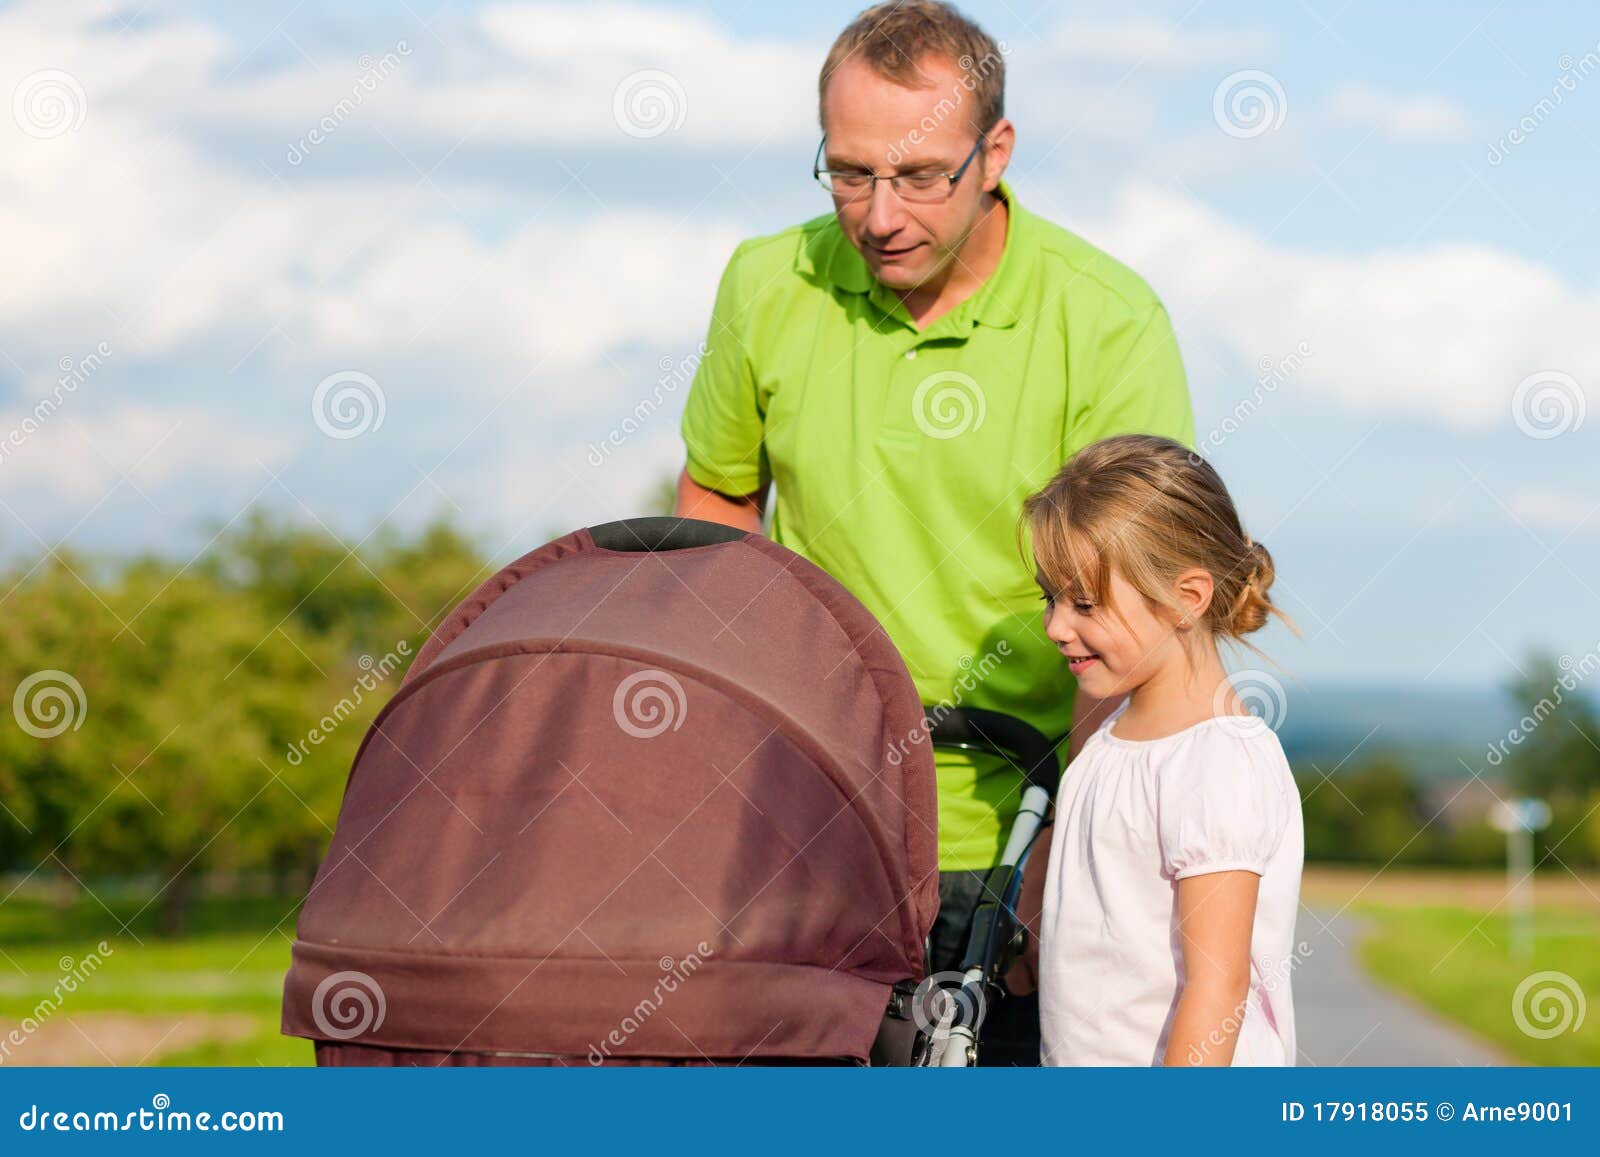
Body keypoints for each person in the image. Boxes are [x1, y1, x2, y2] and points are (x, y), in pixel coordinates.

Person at [674, 1, 1194, 1064]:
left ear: (994, 153)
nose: (877, 214)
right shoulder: (766, 283)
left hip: (1020, 822)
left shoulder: (1106, 321)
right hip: (808, 825)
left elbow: (1134, 608)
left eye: (919, 177)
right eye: (849, 171)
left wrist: (1065, 851)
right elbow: (719, 496)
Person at [1017, 434, 1304, 1065]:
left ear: (1186, 598)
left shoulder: (1216, 763)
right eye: (1050, 598)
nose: (1056, 627)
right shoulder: (1107, 743)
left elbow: (1217, 987)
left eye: (1085, 604)